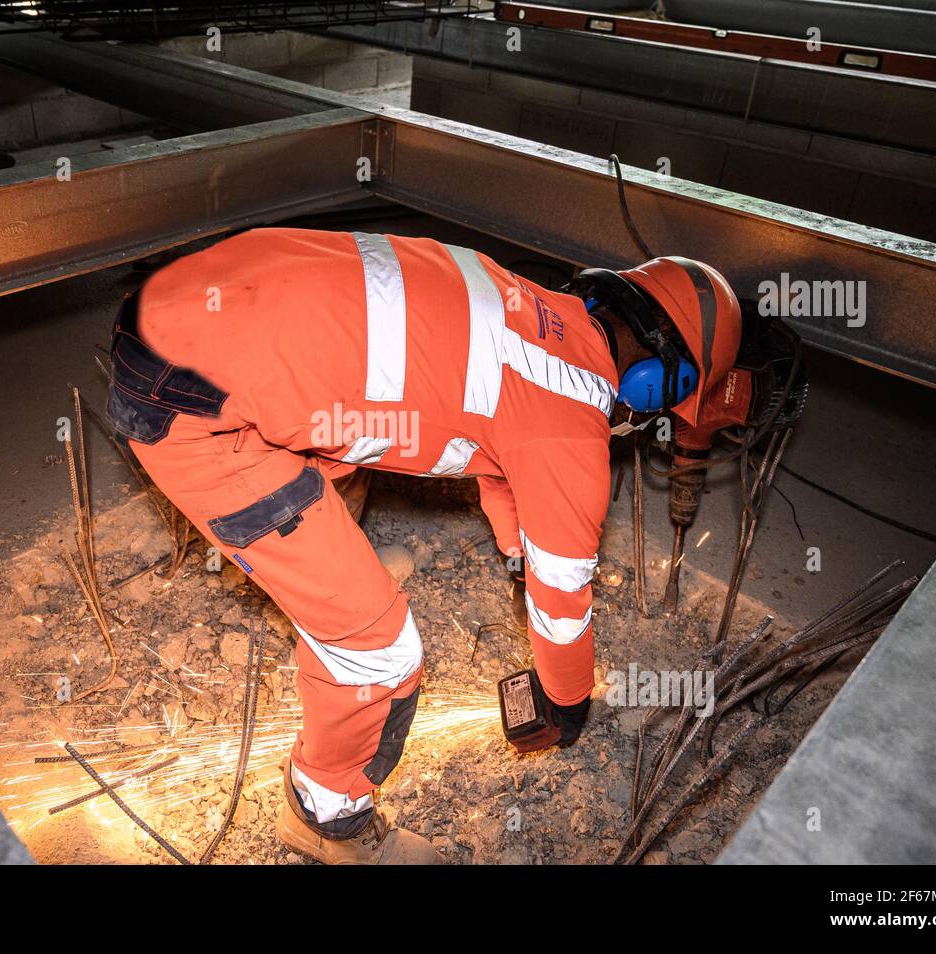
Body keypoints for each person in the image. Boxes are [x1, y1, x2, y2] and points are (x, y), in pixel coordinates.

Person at [105, 228, 742, 864]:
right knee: (379, 650)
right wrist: (565, 700)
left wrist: (519, 555)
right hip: (189, 406)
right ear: (660, 381)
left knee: (344, 446)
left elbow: (502, 461)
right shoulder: (571, 426)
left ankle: (310, 577)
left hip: (175, 303)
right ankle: (326, 817)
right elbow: (563, 600)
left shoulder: (524, 305)